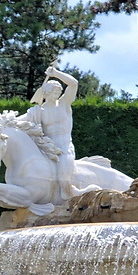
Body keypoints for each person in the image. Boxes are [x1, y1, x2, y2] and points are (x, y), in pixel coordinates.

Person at [22, 65, 79, 202]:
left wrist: (56, 73)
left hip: (64, 147)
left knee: (64, 176)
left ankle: (70, 194)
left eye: (59, 91)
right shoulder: (38, 111)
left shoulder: (64, 104)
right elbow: (19, 122)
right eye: (54, 91)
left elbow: (74, 83)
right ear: (46, 93)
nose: (58, 94)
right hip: (47, 149)